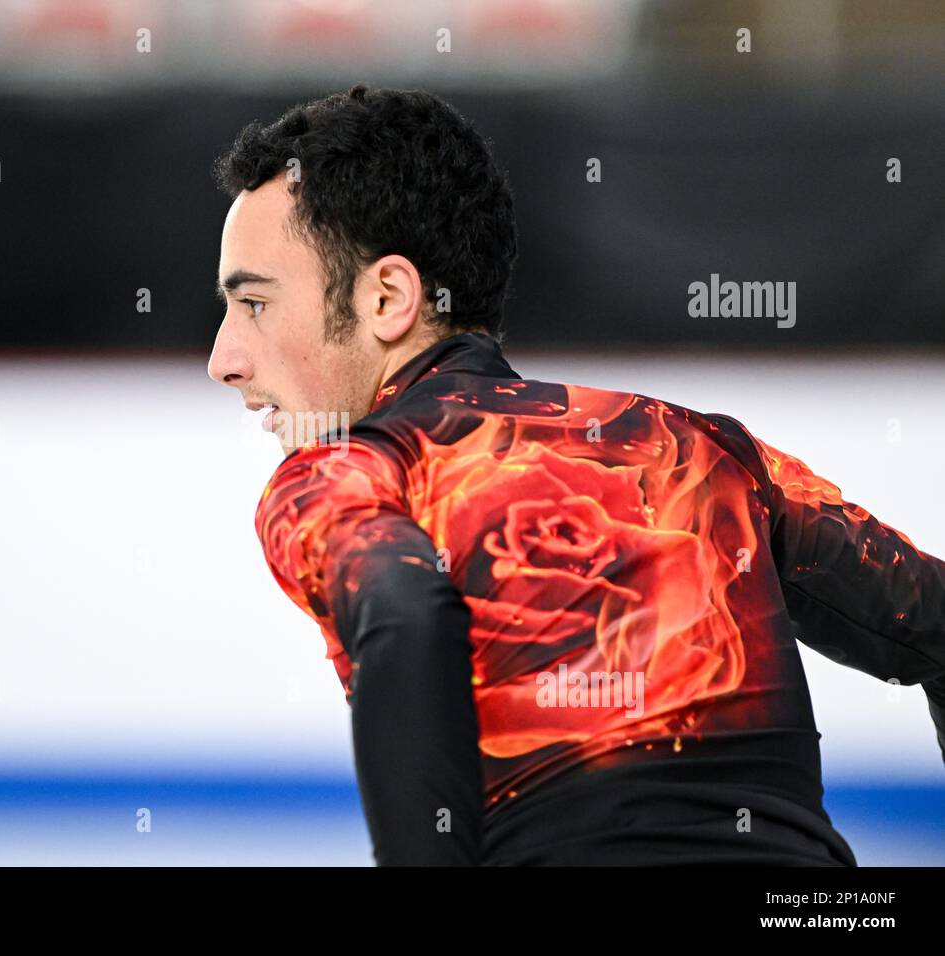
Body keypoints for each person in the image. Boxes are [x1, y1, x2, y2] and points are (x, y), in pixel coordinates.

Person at [206, 83, 945, 866]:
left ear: (388, 298)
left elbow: (407, 617)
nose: (225, 361)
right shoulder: (694, 448)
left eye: (253, 303)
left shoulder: (342, 473)